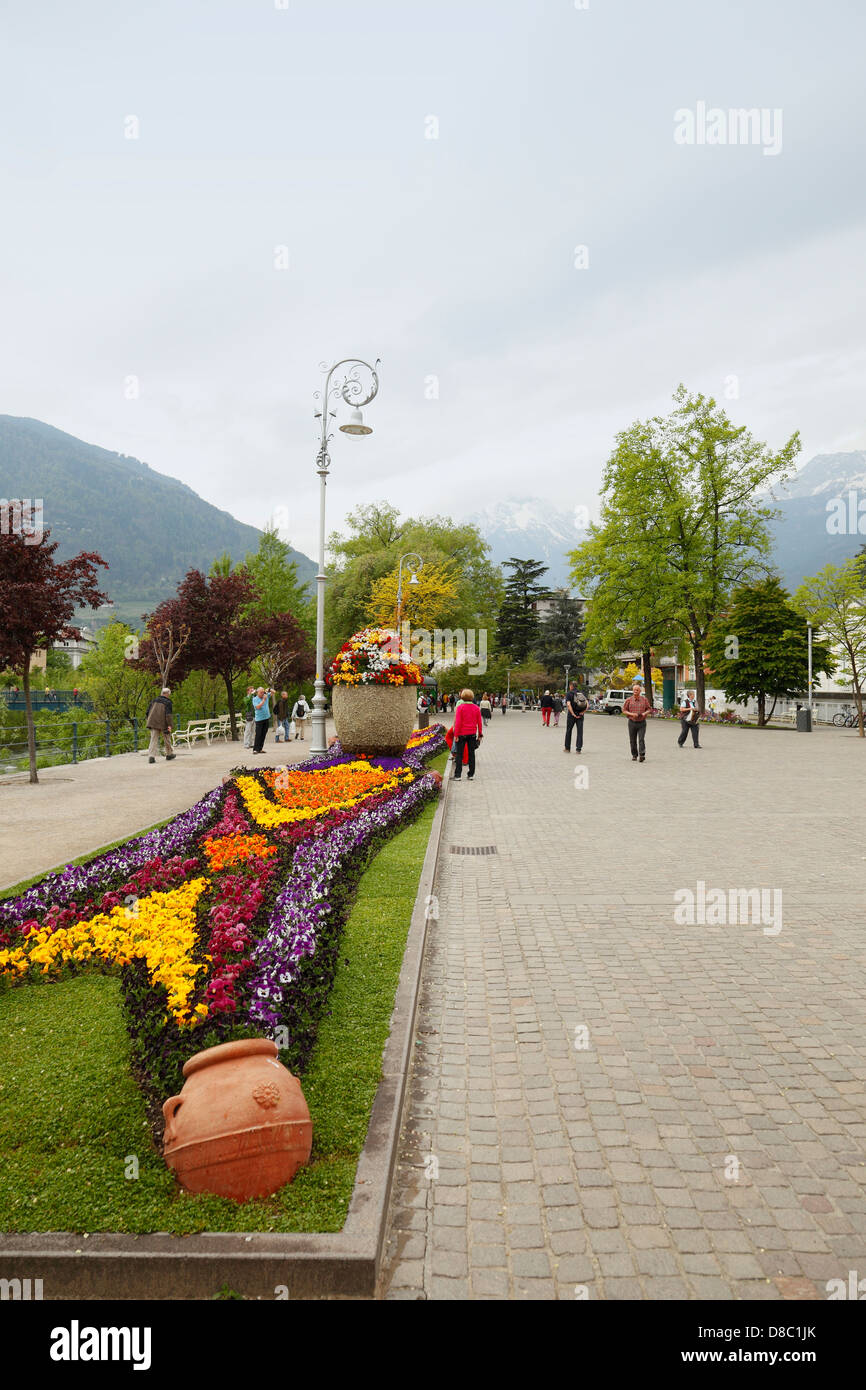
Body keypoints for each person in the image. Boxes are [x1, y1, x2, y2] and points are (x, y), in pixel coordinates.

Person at [452, 688, 483, 781]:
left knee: (459, 754)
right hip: (472, 734)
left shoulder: (460, 708)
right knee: (471, 754)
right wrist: (480, 734)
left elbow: (458, 722)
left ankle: (458, 775)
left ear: (462, 696)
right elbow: (479, 723)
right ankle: (471, 774)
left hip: (461, 734)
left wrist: (456, 735)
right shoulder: (476, 708)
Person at [623, 682, 652, 762]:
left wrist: (644, 713)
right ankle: (634, 755)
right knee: (632, 740)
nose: (635, 691)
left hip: (642, 723)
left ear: (640, 691)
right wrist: (631, 714)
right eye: (634, 690)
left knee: (641, 739)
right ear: (632, 691)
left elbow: (649, 709)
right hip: (632, 722)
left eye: (637, 690)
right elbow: (624, 710)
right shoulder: (629, 700)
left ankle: (642, 755)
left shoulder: (644, 699)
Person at [145, 687, 175, 763]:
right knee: (167, 739)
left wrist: (148, 720)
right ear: (167, 694)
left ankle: (151, 756)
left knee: (153, 740)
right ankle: (169, 754)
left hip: (153, 722)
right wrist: (170, 725)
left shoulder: (154, 700)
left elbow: (147, 712)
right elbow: (168, 715)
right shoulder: (168, 702)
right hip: (163, 723)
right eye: (169, 694)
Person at [564, 683, 588, 753]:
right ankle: (578, 749)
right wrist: (583, 712)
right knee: (580, 732)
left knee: (569, 731)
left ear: (571, 686)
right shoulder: (582, 693)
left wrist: (573, 714)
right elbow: (587, 704)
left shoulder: (569, 694)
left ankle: (567, 748)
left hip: (572, 715)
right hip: (580, 715)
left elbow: (568, 705)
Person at [252, 687, 275, 753]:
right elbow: (258, 707)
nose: (262, 693)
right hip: (259, 719)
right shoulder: (255, 699)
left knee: (263, 734)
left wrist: (269, 689)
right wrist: (264, 700)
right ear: (257, 692)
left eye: (263, 692)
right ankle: (255, 749)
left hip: (266, 718)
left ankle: (260, 748)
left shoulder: (266, 696)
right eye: (261, 692)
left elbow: (274, 692)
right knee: (258, 734)